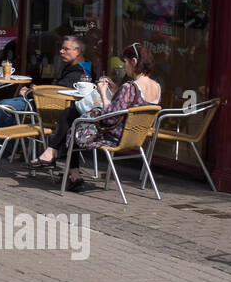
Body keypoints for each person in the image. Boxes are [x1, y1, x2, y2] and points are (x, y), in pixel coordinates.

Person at [33, 43, 161, 192]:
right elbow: (134, 105)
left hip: (113, 136)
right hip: (133, 136)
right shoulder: (156, 87)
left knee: (73, 121)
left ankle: (64, 165)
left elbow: (109, 119)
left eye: (125, 62)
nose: (124, 66)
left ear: (134, 62)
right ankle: (69, 171)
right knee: (73, 116)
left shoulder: (130, 86)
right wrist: (116, 90)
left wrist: (102, 93)